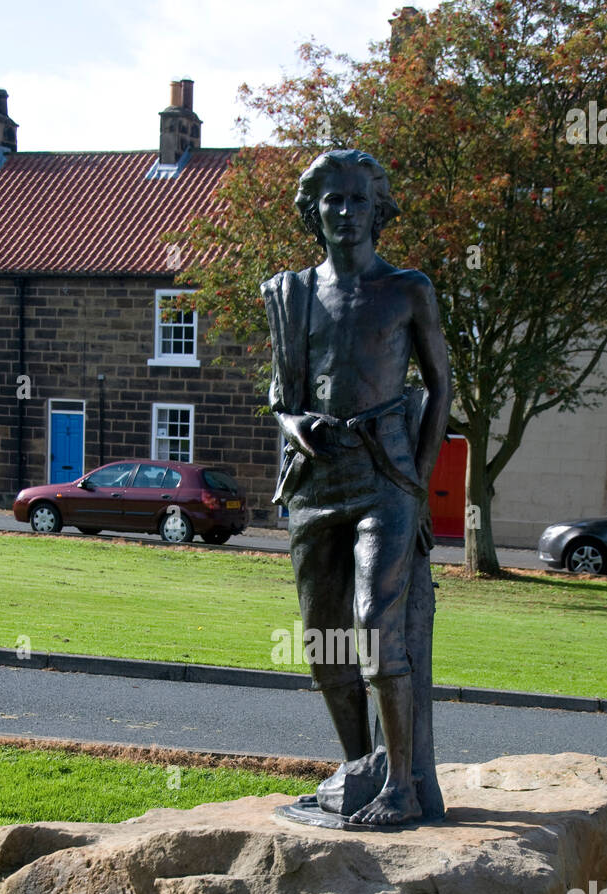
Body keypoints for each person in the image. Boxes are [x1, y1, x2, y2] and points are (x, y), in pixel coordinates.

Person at [262, 149, 451, 826]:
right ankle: (360, 765)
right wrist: (292, 423)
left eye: (357, 200)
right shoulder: (288, 293)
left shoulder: (406, 290)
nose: (344, 213)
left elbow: (439, 386)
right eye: (332, 201)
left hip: (385, 476)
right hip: (314, 481)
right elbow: (280, 396)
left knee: (375, 626)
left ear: (379, 210)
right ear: (313, 212)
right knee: (324, 644)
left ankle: (403, 785)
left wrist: (420, 481)